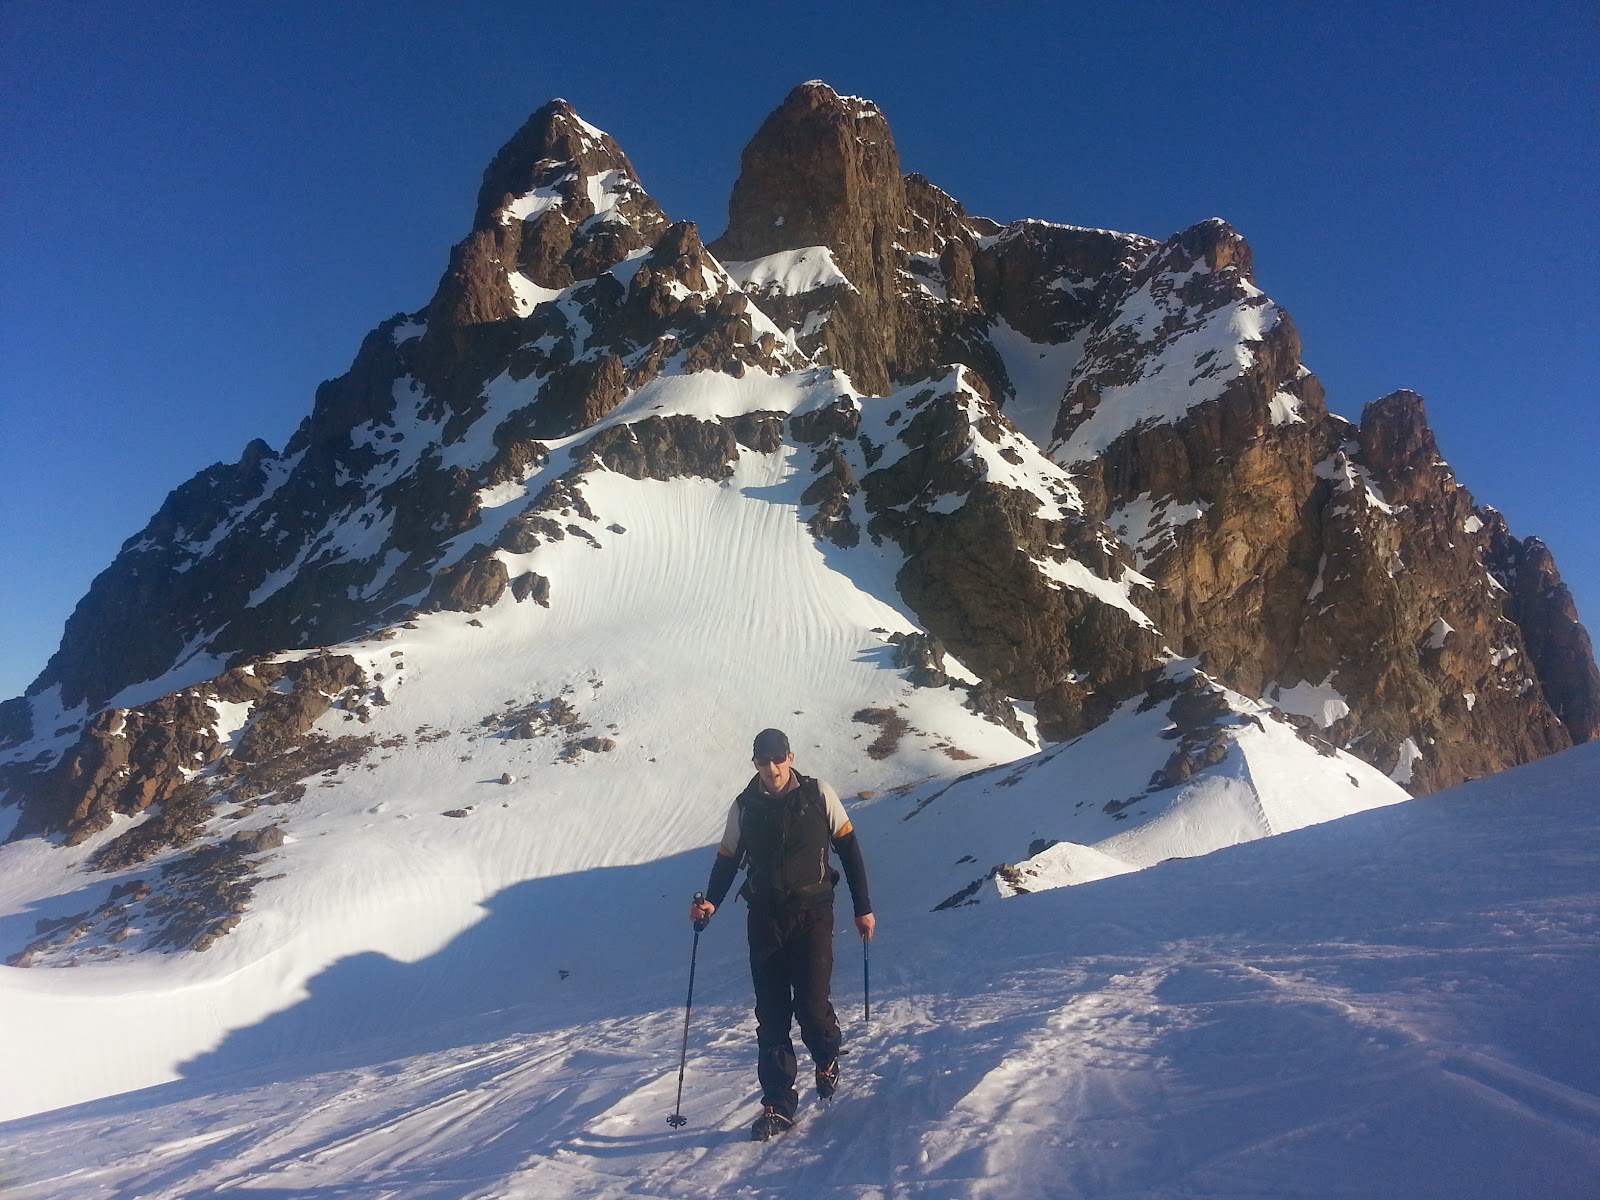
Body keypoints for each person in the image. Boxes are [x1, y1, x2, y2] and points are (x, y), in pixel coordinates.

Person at [690, 728, 875, 1140]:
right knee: (771, 1013)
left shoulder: (817, 795)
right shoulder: (745, 807)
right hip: (765, 917)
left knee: (810, 1003)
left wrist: (863, 908)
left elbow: (850, 850)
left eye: (776, 759)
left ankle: (826, 1054)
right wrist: (711, 903)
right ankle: (777, 1102)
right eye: (761, 760)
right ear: (754, 762)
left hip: (813, 913)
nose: (770, 768)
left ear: (790, 757)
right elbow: (727, 861)